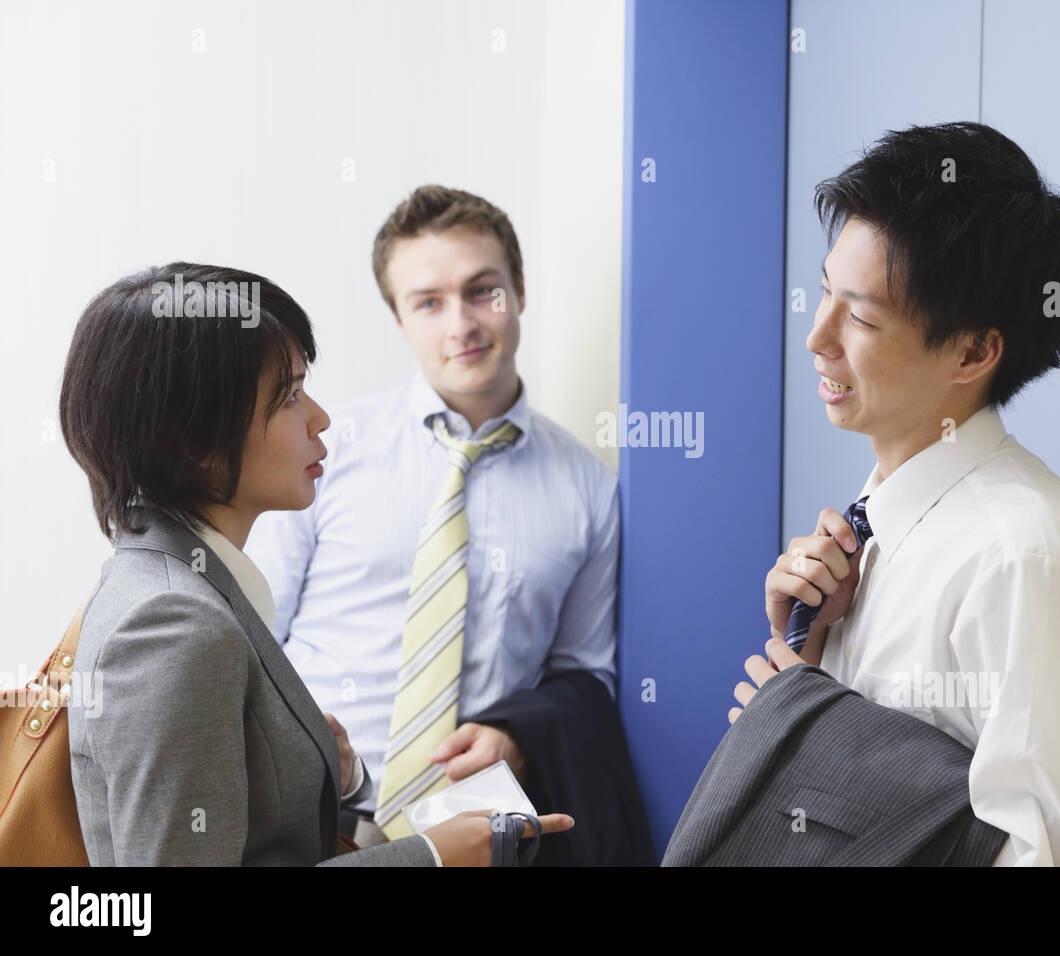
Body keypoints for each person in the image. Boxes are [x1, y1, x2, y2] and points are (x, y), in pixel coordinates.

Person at [59, 262, 573, 865]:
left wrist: (332, 770)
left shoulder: (185, 585)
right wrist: (429, 857)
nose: (320, 418)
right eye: (290, 396)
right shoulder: (175, 623)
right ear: (193, 439)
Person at [744, 122, 1060, 865]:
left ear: (971, 350)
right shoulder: (873, 534)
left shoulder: (1027, 562)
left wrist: (812, 724)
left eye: (860, 316)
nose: (817, 336)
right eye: (826, 292)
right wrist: (811, 652)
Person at [245, 187, 652, 864]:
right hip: (310, 821)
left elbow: (583, 675)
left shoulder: (590, 488)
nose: (460, 323)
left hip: (471, 828)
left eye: (481, 291)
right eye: (428, 302)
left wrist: (521, 737)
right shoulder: (323, 451)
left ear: (519, 291)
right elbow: (254, 638)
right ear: (399, 319)